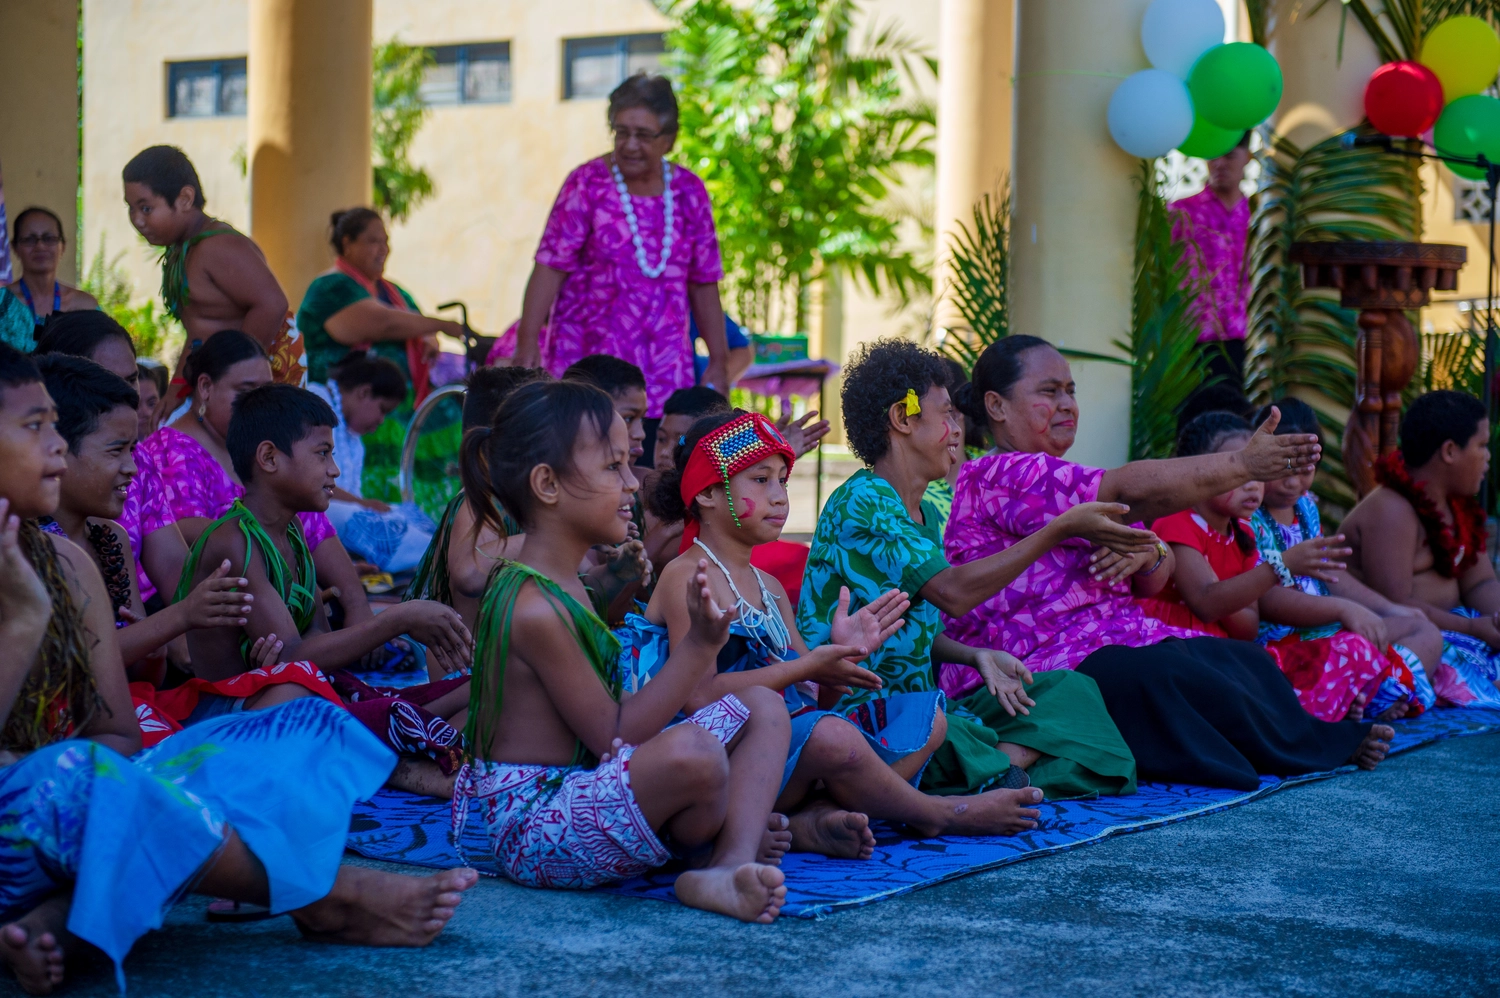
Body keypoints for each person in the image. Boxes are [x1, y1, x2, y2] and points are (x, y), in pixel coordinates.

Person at [0, 343, 475, 995]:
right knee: (81, 780)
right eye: (34, 427)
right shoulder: (229, 537)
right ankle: (323, 896)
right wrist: (24, 622)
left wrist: (124, 791)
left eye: (55, 427)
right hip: (33, 809)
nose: (53, 446)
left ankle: (57, 914)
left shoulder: (71, 566)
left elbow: (119, 739)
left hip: (73, 814)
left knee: (274, 734)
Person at [942, 334, 1395, 790]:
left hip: (1116, 635)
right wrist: (1242, 464)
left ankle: (1314, 744)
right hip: (1039, 659)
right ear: (997, 406)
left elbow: (1153, 581)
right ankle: (1303, 750)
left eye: (1071, 391)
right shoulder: (998, 474)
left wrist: (1148, 553)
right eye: (1049, 391)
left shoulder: (1061, 477)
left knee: (1243, 660)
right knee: (1161, 677)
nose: (1066, 404)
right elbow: (1124, 491)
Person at [628, 409, 1051, 851]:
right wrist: (807, 665)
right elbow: (696, 697)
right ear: (709, 492)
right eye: (760, 480)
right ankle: (938, 813)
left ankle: (810, 816)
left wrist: (838, 659)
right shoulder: (686, 575)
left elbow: (810, 703)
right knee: (832, 737)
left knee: (928, 720)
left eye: (782, 481)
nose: (778, 497)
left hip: (783, 757)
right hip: (714, 765)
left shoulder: (768, 588)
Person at [453, 378, 788, 921]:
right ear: (547, 485)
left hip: (587, 783)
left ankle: (727, 862)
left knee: (764, 707)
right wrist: (700, 647)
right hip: (538, 825)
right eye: (613, 468)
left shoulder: (564, 583)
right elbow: (616, 733)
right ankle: (713, 844)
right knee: (697, 753)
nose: (633, 483)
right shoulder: (535, 607)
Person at [798, 339, 1145, 803]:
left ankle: (998, 769)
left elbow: (910, 627)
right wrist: (1055, 531)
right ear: (903, 420)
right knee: (949, 728)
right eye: (945, 415)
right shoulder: (865, 500)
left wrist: (974, 656)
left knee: (1068, 689)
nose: (958, 429)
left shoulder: (920, 513)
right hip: (864, 717)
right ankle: (996, 770)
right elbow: (953, 594)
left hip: (927, 708)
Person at [1141, 411, 1428, 723]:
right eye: (1236, 472)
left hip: (1234, 655)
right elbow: (1207, 604)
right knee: (1251, 691)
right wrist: (1280, 567)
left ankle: (1335, 707)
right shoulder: (1177, 523)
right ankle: (1321, 716)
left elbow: (1247, 626)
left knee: (1351, 648)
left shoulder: (1243, 533)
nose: (1251, 486)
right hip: (1182, 652)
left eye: (1257, 473)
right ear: (1198, 471)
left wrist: (1228, 590)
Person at [510, 72, 732, 444]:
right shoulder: (587, 183)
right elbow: (549, 266)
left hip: (663, 369)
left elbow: (704, 283)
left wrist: (720, 362)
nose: (629, 144)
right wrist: (526, 341)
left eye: (643, 135)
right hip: (588, 366)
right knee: (586, 466)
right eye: (621, 132)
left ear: (669, 139)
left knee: (653, 471)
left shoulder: (689, 191)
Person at [34, 353, 254, 687]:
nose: (132, 468)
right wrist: (178, 617)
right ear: (57, 451)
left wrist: (153, 654)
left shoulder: (111, 539)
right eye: (115, 451)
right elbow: (72, 664)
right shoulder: (30, 549)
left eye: (133, 450)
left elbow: (142, 682)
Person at [135, 330, 372, 627]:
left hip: (267, 597)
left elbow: (314, 528)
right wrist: (273, 557)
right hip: (195, 614)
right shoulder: (170, 451)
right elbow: (183, 538)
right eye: (247, 390)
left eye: (266, 390)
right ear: (206, 387)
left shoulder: (268, 450)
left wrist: (356, 602)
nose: (261, 402)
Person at [1247, 397, 1443, 715]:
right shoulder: (1248, 515)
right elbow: (1266, 598)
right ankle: (1371, 695)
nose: (1294, 481)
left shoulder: (1306, 506)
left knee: (1422, 631)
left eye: (1304, 469)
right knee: (1356, 647)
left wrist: (1388, 609)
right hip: (1282, 643)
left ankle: (1369, 695)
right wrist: (1343, 610)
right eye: (1281, 468)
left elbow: (1329, 574)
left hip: (1330, 628)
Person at [1341, 390, 1500, 707]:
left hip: (1462, 629)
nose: (1488, 457)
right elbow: (1395, 603)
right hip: (1414, 637)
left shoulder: (1458, 507)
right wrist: (1472, 628)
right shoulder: (1392, 510)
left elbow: (1480, 581)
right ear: (1450, 451)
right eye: (1481, 446)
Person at [121, 145, 305, 414]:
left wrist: (234, 375)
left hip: (263, 380)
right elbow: (200, 331)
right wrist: (177, 389)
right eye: (131, 208)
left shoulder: (216, 247)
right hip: (227, 379)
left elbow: (272, 303)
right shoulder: (183, 249)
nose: (137, 220)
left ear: (184, 198)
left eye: (146, 208)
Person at [406, 366, 546, 640]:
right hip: (469, 675)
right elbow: (469, 574)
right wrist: (550, 536)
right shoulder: (478, 503)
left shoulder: (526, 504)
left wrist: (616, 569)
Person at [297, 207, 470, 394]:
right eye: (373, 241)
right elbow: (383, 323)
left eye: (385, 241)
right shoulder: (330, 287)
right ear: (347, 244)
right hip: (344, 401)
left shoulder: (392, 291)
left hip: (399, 399)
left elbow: (417, 321)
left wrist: (429, 337)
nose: (384, 250)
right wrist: (442, 325)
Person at [308, 352, 435, 574]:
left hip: (343, 505)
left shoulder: (355, 441)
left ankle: (439, 550)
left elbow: (354, 496)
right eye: (382, 410)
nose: (381, 421)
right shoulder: (315, 400)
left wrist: (364, 504)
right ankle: (438, 560)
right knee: (363, 519)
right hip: (313, 508)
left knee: (405, 512)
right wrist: (362, 504)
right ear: (364, 393)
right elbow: (310, 481)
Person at [1171, 132, 1252, 388]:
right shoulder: (1181, 212)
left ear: (1247, 158)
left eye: (1229, 156)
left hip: (1251, 342)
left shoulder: (1259, 216)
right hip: (1195, 342)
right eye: (1213, 156)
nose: (1219, 163)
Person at [5, 207, 97, 336]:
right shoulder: (3, 303)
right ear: (15, 247)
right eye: (30, 239)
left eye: (49, 238)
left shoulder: (85, 306)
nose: (40, 246)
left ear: (63, 246)